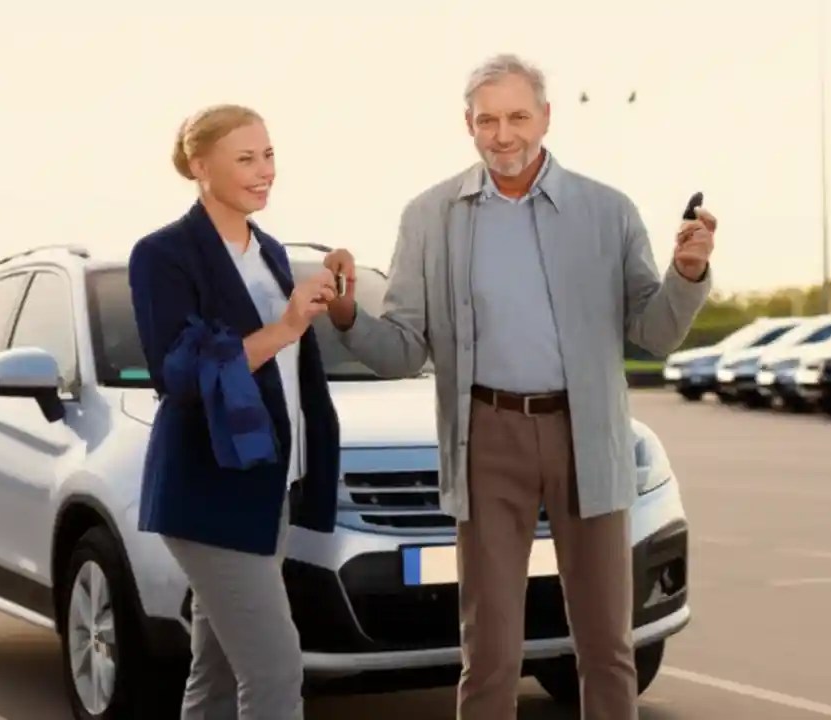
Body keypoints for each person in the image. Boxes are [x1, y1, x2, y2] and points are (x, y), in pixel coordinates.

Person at [321, 54, 716, 719]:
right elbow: (403, 349)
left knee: (605, 644)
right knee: (491, 647)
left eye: (517, 117)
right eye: (487, 120)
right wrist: (345, 315)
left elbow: (655, 333)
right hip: (487, 438)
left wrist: (686, 273)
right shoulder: (430, 216)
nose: (503, 135)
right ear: (468, 125)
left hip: (586, 436)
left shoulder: (607, 211)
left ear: (546, 117)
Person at [128, 103, 341, 720]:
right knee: (276, 673)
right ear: (200, 166)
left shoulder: (269, 249)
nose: (264, 170)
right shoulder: (164, 254)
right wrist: (287, 325)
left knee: (216, 676)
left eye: (269, 154)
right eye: (245, 158)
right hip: (209, 489)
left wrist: (327, 286)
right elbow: (182, 373)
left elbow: (288, 373)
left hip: (269, 484)